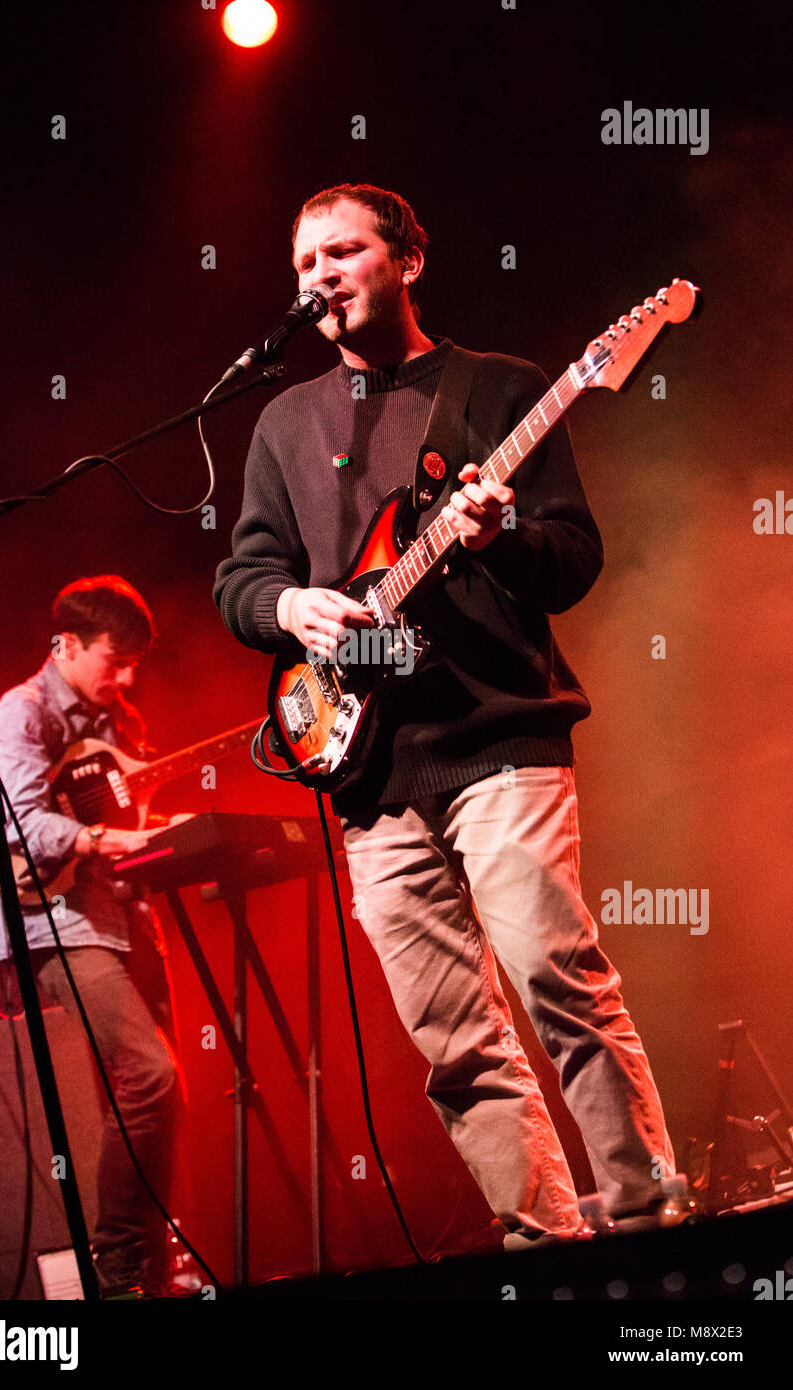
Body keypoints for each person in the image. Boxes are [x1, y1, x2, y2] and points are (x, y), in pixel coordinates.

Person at [213, 184, 676, 1248]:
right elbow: (241, 578)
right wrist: (288, 604)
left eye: (341, 252)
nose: (316, 276)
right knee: (454, 1042)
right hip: (369, 770)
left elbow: (569, 563)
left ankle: (657, 1223)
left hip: (497, 737)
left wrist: (495, 534)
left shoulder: (503, 388)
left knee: (555, 982)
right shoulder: (283, 422)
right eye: (302, 263)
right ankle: (539, 1241)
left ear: (407, 258)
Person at [0, 575, 185, 1294]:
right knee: (152, 1077)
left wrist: (162, 834)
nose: (127, 677)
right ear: (64, 645)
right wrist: (100, 839)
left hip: (124, 915)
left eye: (136, 664)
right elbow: (16, 824)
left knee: (156, 1091)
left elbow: (130, 817)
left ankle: (153, 1271)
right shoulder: (20, 715)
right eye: (114, 660)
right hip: (51, 921)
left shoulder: (118, 721)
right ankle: (120, 1265)